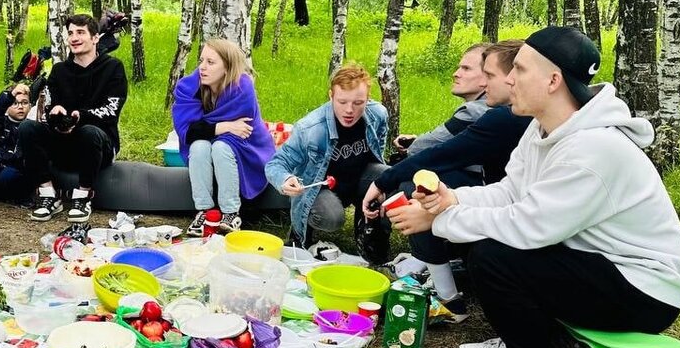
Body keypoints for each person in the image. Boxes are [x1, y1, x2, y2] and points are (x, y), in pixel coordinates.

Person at [390, 27, 680, 348]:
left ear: (553, 80)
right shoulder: (542, 129)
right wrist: (449, 201)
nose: (508, 79)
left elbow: (528, 226)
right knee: (486, 240)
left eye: (518, 69)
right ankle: (520, 337)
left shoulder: (593, 149)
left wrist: (437, 222)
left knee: (494, 254)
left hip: (644, 291)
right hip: (595, 262)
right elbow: (509, 192)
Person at [361, 40, 530, 318]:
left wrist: (384, 182)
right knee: (430, 190)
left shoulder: (502, 118)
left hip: (520, 227)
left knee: (416, 189)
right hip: (505, 202)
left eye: (489, 75)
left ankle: (449, 298)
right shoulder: (521, 118)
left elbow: (437, 154)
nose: (486, 84)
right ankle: (436, 265)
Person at [265, 64, 390, 260]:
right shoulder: (310, 128)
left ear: (368, 99)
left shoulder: (378, 114)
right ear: (331, 96)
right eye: (342, 102)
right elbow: (276, 164)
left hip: (358, 179)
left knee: (388, 177)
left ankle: (368, 230)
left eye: (358, 103)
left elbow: (379, 149)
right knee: (332, 218)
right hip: (320, 188)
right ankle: (300, 231)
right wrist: (285, 180)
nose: (349, 110)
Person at [19, 13, 128, 221]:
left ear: (95, 38)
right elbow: (49, 104)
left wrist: (81, 116)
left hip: (98, 144)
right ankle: (48, 194)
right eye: (70, 33)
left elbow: (111, 109)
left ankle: (83, 195)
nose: (74, 38)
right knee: (27, 128)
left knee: (90, 132)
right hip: (63, 142)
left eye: (80, 32)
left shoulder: (113, 68)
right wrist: (56, 114)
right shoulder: (60, 70)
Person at [172, 38, 275, 235]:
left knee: (221, 147)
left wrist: (212, 128)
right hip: (217, 137)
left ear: (227, 67)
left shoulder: (241, 87)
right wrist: (224, 126)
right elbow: (188, 131)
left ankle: (231, 212)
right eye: (201, 61)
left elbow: (244, 129)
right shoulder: (189, 87)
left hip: (247, 144)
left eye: (211, 63)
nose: (202, 68)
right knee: (198, 146)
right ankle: (205, 210)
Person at [391, 43, 489, 158]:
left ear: (488, 75)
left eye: (466, 69)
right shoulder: (494, 106)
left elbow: (430, 144)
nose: (456, 74)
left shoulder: (473, 111)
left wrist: (411, 146)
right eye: (459, 68)